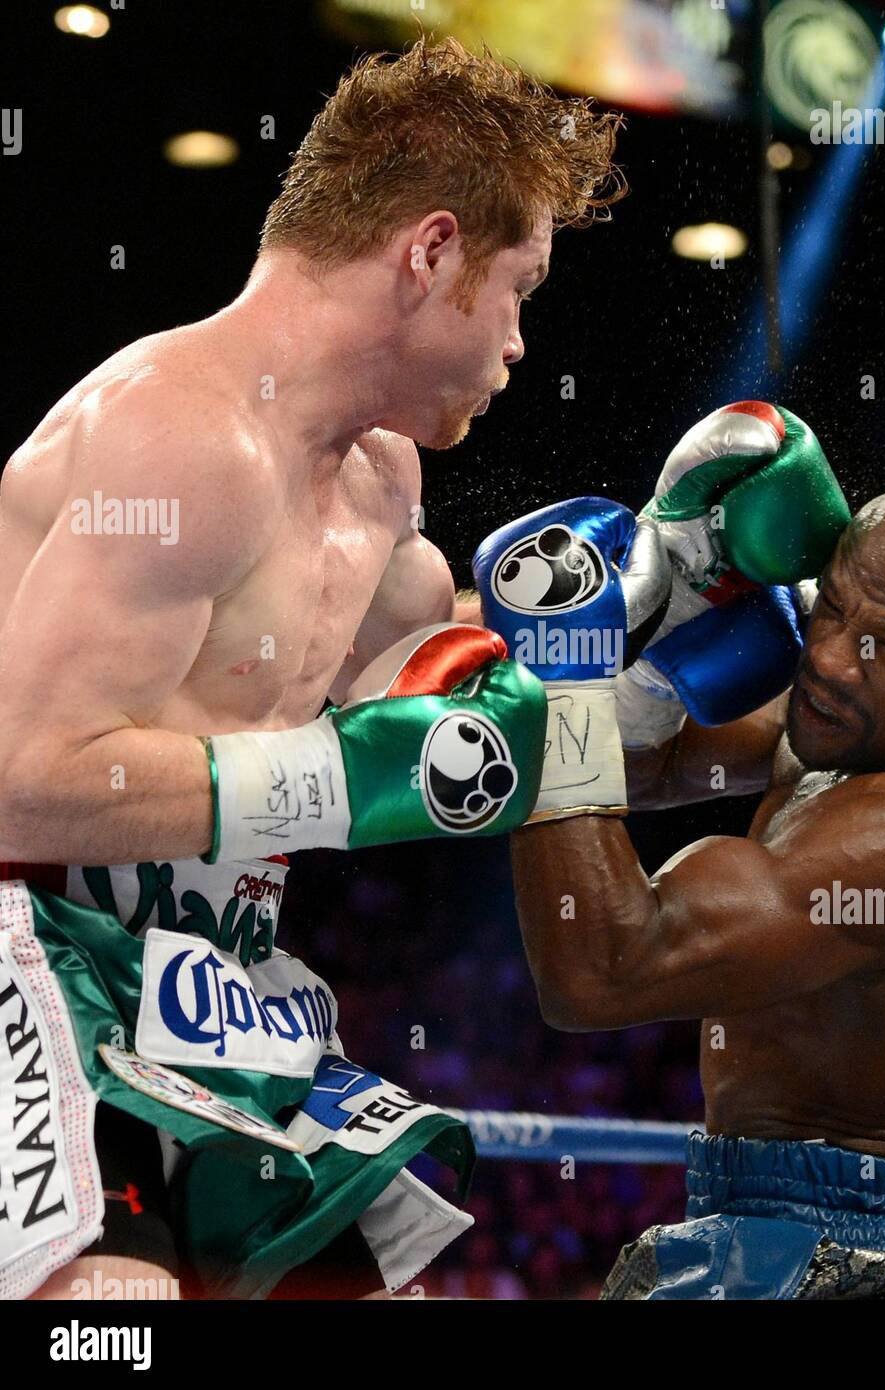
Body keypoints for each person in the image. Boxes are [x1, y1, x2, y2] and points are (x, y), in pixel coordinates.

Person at [0, 36, 627, 1301]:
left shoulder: (379, 485)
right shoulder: (183, 439)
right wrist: (332, 784)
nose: (518, 341)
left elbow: (464, 753)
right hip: (27, 942)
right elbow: (18, 780)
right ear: (432, 251)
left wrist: (679, 619)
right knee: (113, 1320)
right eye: (520, 289)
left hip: (208, 984)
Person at [476, 405, 885, 1299]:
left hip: (866, 1253)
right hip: (748, 1213)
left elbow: (600, 971)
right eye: (834, 600)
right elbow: (655, 765)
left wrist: (562, 684)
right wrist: (660, 612)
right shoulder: (881, 704)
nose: (827, 658)